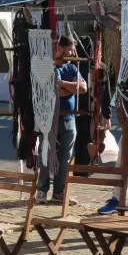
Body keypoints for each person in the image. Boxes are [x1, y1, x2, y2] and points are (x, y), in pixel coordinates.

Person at [37, 35, 86, 205]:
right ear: (60, 49)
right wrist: (71, 88)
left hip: (69, 119)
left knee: (65, 158)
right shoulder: (46, 67)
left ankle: (58, 193)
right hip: (49, 119)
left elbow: (84, 88)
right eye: (70, 49)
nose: (73, 52)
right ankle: (42, 191)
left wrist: (63, 84)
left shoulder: (72, 68)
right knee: (46, 156)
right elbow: (51, 92)